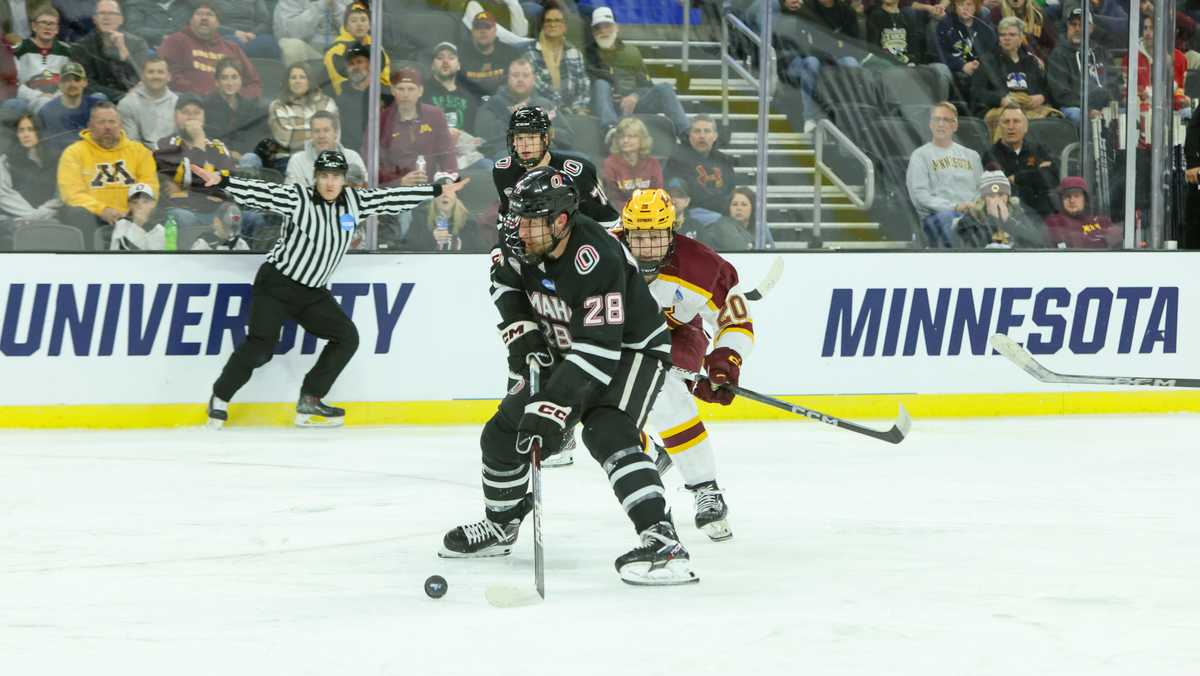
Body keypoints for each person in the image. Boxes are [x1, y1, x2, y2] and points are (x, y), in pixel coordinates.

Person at [439, 166, 698, 587]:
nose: (520, 230)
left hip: (629, 351)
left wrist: (552, 406)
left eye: (531, 222)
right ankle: (502, 525)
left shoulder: (596, 256)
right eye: (517, 219)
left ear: (561, 221)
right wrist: (521, 334)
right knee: (502, 435)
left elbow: (599, 349)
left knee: (606, 431)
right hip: (564, 347)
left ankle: (662, 540)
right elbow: (504, 284)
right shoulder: (518, 236)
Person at [191, 150, 470, 429]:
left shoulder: (355, 201)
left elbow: (391, 198)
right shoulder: (298, 198)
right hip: (277, 284)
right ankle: (220, 398)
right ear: (316, 177)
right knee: (261, 348)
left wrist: (436, 189)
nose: (329, 182)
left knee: (347, 337)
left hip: (312, 292)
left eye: (335, 176)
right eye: (324, 176)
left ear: (343, 180)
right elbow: (261, 192)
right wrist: (222, 181)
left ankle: (310, 399)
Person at [617, 187, 753, 541]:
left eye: (656, 237)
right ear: (624, 231)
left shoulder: (703, 266)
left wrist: (725, 362)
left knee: (667, 395)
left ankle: (706, 488)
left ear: (672, 231)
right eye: (638, 237)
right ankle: (651, 452)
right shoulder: (602, 253)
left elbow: (736, 322)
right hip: (616, 339)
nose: (646, 247)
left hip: (676, 334)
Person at [494, 105, 619, 228]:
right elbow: (506, 221)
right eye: (519, 138)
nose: (524, 145)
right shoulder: (503, 171)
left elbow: (609, 221)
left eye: (531, 137)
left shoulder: (579, 173)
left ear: (547, 138)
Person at [57, 101, 159, 248]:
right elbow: (71, 194)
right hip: (94, 216)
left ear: (120, 125)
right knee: (76, 213)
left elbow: (149, 185)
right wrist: (102, 209)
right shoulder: (74, 153)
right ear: (90, 125)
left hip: (132, 214)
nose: (107, 127)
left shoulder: (139, 151)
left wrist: (138, 207)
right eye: (101, 122)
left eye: (112, 122)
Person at [584, 7, 690, 138]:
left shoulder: (631, 52)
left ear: (616, 27)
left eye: (607, 26)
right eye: (598, 28)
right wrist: (616, 92)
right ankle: (610, 130)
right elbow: (590, 84)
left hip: (632, 105)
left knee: (665, 88)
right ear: (593, 32)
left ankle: (686, 135)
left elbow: (647, 85)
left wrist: (635, 96)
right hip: (604, 104)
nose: (603, 31)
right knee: (601, 84)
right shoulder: (587, 54)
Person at [905, 101, 983, 247]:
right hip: (937, 218)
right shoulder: (920, 156)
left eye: (946, 120)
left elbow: (980, 189)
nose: (940, 124)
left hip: (971, 215)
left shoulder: (972, 156)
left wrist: (974, 208)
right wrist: (954, 207)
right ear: (930, 124)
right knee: (952, 222)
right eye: (936, 119)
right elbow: (920, 196)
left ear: (955, 125)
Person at [153, 94, 238, 228]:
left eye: (197, 113)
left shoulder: (217, 147)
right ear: (176, 117)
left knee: (242, 217)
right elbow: (187, 178)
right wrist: (199, 140)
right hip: (181, 210)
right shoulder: (165, 145)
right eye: (185, 112)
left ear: (204, 117)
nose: (191, 117)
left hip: (216, 212)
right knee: (184, 218)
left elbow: (230, 181)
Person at [972, 17, 1058, 140]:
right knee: (1014, 119)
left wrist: (1042, 97)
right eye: (1003, 35)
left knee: (1054, 118)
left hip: (1030, 108)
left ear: (1021, 38)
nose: (1006, 38)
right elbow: (977, 92)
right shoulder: (988, 61)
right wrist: (1000, 100)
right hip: (1000, 109)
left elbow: (1048, 88)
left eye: (1012, 35)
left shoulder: (1031, 62)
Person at [157, 3, 262, 98]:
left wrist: (236, 98)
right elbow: (170, 77)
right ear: (190, 20)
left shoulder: (232, 48)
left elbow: (253, 83)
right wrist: (204, 95)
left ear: (218, 23)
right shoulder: (175, 41)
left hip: (230, 108)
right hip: (191, 105)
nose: (204, 18)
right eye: (199, 14)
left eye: (210, 14)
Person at [376, 66, 458, 186]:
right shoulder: (381, 120)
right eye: (401, 89)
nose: (406, 94)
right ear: (392, 90)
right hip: (395, 192)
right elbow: (372, 165)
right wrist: (399, 182)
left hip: (431, 189)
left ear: (420, 91)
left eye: (411, 89)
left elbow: (448, 156)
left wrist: (448, 180)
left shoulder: (435, 116)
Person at [473, 56, 557, 158]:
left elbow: (568, 137)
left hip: (545, 153)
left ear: (533, 79)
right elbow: (483, 133)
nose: (520, 79)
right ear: (508, 78)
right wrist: (511, 117)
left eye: (525, 75)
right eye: (515, 75)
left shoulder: (544, 104)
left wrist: (548, 129)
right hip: (507, 154)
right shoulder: (493, 103)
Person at [982, 104, 1058, 216]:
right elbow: (1002, 187)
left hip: (1045, 212)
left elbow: (1052, 177)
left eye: (1016, 121)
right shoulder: (991, 155)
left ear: (1026, 127)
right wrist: (1037, 175)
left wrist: (1017, 178)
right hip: (1012, 215)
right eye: (1006, 122)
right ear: (1000, 126)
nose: (1011, 126)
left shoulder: (1039, 149)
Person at [68, 0, 148, 104]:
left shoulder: (137, 44)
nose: (106, 17)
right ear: (94, 19)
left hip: (134, 102)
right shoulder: (81, 46)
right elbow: (85, 84)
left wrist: (123, 51)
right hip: (98, 102)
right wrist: (122, 97)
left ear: (121, 19)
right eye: (101, 13)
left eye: (111, 13)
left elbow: (142, 78)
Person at [664, 114, 736, 226]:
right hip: (691, 213)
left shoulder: (724, 161)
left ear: (715, 136)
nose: (702, 136)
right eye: (697, 131)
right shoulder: (677, 159)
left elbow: (731, 190)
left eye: (707, 131)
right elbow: (680, 194)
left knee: (758, 223)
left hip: (722, 213)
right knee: (721, 222)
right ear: (689, 135)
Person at [1046, 8, 1111, 129]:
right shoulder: (1058, 55)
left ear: (1091, 28)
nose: (1077, 29)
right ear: (1068, 26)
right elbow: (1060, 94)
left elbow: (1114, 81)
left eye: (1082, 25)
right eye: (1073, 24)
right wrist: (1089, 110)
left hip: (1102, 107)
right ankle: (1084, 148)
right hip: (1075, 107)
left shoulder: (1100, 52)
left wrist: (1110, 105)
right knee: (1078, 116)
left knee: (1124, 112)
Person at [524, 2, 590, 115]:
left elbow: (583, 86)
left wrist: (578, 108)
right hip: (542, 112)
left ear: (565, 26)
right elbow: (537, 87)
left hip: (573, 113)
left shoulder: (575, 53)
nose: (552, 24)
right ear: (542, 25)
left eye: (557, 20)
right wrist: (561, 107)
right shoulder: (531, 53)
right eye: (548, 21)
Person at [951, 169, 1047, 247]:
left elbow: (1037, 243)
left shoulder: (1020, 213)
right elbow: (971, 248)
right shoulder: (971, 218)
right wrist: (992, 220)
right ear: (983, 198)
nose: (997, 199)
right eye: (991, 195)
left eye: (1001, 194)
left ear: (1008, 196)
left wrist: (1008, 222)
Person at [35, 61, 108, 162]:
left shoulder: (97, 106)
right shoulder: (47, 112)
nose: (72, 84)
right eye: (66, 80)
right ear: (59, 84)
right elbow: (47, 150)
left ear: (85, 82)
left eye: (77, 79)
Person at [202, 57, 270, 160]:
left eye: (234, 77)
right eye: (224, 78)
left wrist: (241, 154)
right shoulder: (206, 105)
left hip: (245, 157)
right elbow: (209, 137)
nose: (230, 83)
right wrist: (230, 152)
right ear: (217, 82)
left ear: (241, 80)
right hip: (216, 157)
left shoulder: (250, 106)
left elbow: (252, 136)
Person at [8, 6, 72, 114]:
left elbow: (71, 82)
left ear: (57, 29)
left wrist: (55, 97)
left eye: (51, 24)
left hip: (59, 98)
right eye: (43, 22)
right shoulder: (20, 49)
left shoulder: (66, 51)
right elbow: (12, 83)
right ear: (34, 26)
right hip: (29, 99)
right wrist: (38, 96)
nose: (48, 27)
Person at [268, 62, 339, 158]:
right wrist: (322, 132)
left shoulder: (327, 102)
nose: (297, 81)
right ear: (287, 82)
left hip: (325, 157)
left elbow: (335, 134)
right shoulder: (278, 105)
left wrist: (301, 131)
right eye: (293, 78)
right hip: (289, 158)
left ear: (310, 81)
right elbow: (285, 138)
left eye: (302, 77)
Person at [0, 114, 62, 223]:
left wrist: (44, 212)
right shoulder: (6, 159)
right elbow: (3, 194)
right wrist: (31, 215)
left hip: (48, 215)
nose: (26, 135)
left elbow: (61, 193)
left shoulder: (56, 158)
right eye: (21, 130)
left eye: (30, 129)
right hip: (16, 217)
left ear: (39, 132)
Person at [323, 0, 389, 96]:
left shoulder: (376, 46)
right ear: (346, 26)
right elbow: (339, 87)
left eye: (363, 20)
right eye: (353, 20)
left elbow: (384, 79)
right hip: (349, 99)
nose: (359, 24)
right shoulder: (335, 51)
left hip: (376, 98)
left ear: (369, 25)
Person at [404, 174, 486, 252]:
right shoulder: (420, 218)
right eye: (441, 191)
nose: (445, 195)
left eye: (449, 191)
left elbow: (480, 250)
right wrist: (431, 238)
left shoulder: (469, 223)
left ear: (456, 197)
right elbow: (408, 247)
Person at [286, 110, 366, 186]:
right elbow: (294, 196)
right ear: (311, 134)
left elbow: (363, 191)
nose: (321, 136)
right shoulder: (297, 161)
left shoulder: (353, 158)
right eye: (317, 131)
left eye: (326, 130)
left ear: (336, 133)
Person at [333, 41, 386, 154]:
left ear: (371, 65)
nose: (355, 67)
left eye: (359, 62)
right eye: (351, 63)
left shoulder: (387, 96)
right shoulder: (339, 101)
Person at [935, 0, 998, 93]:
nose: (965, 8)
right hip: (956, 67)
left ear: (976, 7)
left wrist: (980, 63)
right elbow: (941, 54)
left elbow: (992, 50)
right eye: (960, 5)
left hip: (981, 67)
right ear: (955, 7)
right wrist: (962, 65)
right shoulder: (945, 25)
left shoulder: (983, 26)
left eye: (969, 4)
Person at [601, 116, 662, 210]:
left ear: (642, 139)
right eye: (622, 137)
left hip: (649, 212)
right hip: (622, 214)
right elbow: (612, 197)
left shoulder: (653, 163)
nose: (625, 141)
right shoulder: (610, 163)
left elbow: (657, 194)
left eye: (631, 136)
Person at [1043, 175, 1120, 248]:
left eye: (1076, 196)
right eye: (1067, 196)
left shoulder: (1102, 221)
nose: (1072, 200)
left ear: (1085, 199)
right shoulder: (1054, 222)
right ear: (1061, 201)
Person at [118, 57, 179, 149]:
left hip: (174, 157)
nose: (155, 76)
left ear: (169, 77)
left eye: (160, 72)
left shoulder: (179, 104)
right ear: (142, 76)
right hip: (141, 158)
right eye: (151, 72)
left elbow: (184, 140)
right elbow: (132, 144)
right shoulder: (127, 104)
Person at [459, 10, 519, 98]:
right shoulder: (460, 54)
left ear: (495, 31)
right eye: (478, 27)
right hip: (470, 101)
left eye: (487, 27)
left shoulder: (510, 53)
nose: (483, 31)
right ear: (472, 32)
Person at [275, 0, 354, 65]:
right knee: (291, 46)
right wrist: (321, 7)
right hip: (308, 49)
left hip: (341, 50)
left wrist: (335, 7)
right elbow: (291, 32)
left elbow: (355, 29)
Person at [696, 186, 775, 251]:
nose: (739, 208)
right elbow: (741, 251)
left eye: (744, 205)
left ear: (752, 208)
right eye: (734, 204)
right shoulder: (723, 225)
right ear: (729, 208)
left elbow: (771, 250)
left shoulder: (759, 225)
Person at [204, 0, 277, 59]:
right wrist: (235, 32)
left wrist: (253, 33)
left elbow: (264, 22)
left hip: (252, 35)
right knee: (233, 44)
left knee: (269, 43)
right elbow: (210, 22)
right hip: (227, 34)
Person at [988, 0, 1055, 62]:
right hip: (1009, 61)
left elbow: (1051, 44)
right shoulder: (997, 14)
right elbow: (994, 45)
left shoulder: (1037, 14)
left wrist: (1041, 58)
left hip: (1037, 61)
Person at [108, 181, 165, 250]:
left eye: (145, 202)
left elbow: (157, 256)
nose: (140, 206)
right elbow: (114, 254)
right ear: (129, 205)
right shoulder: (122, 224)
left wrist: (144, 224)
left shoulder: (161, 228)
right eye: (135, 202)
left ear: (152, 204)